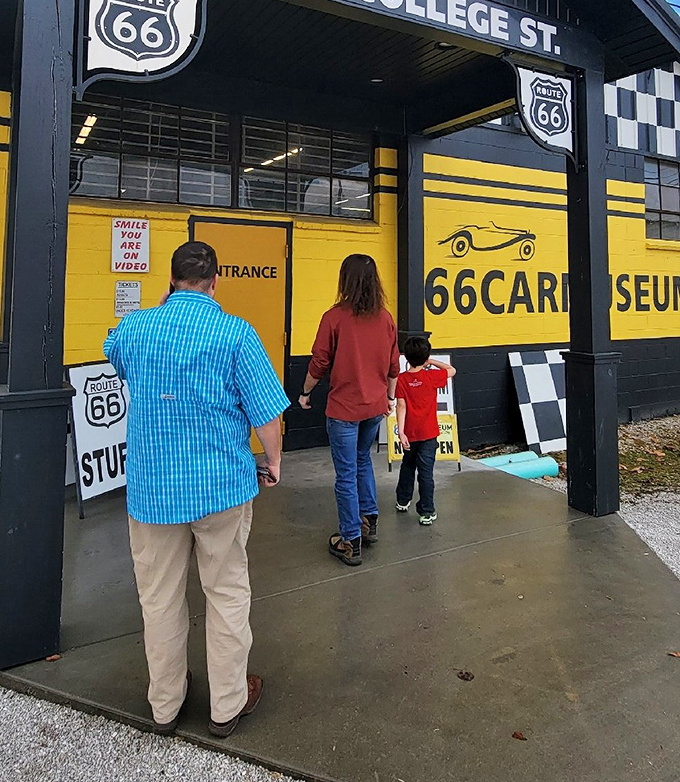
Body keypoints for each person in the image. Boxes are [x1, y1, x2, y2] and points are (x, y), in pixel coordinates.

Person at [103, 240, 289, 739]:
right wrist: (270, 462)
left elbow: (113, 349)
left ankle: (165, 705)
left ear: (169, 281)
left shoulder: (138, 328)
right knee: (226, 592)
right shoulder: (236, 334)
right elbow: (268, 415)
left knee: (159, 599)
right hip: (220, 489)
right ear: (215, 282)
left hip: (152, 492)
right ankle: (226, 705)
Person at [299, 253, 399, 566]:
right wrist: (391, 400)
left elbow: (319, 362)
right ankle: (370, 522)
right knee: (362, 461)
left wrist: (305, 393)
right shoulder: (385, 318)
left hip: (344, 409)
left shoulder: (334, 317)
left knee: (345, 475)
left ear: (345, 280)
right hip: (375, 406)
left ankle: (350, 540)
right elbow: (394, 366)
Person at [395, 336, 456, 525]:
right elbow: (451, 370)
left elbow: (401, 406)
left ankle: (402, 500)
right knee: (425, 472)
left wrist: (402, 432)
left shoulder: (401, 379)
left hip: (410, 434)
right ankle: (427, 511)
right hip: (429, 434)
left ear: (406, 357)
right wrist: (431, 361)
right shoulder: (431, 376)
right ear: (426, 355)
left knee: (407, 465)